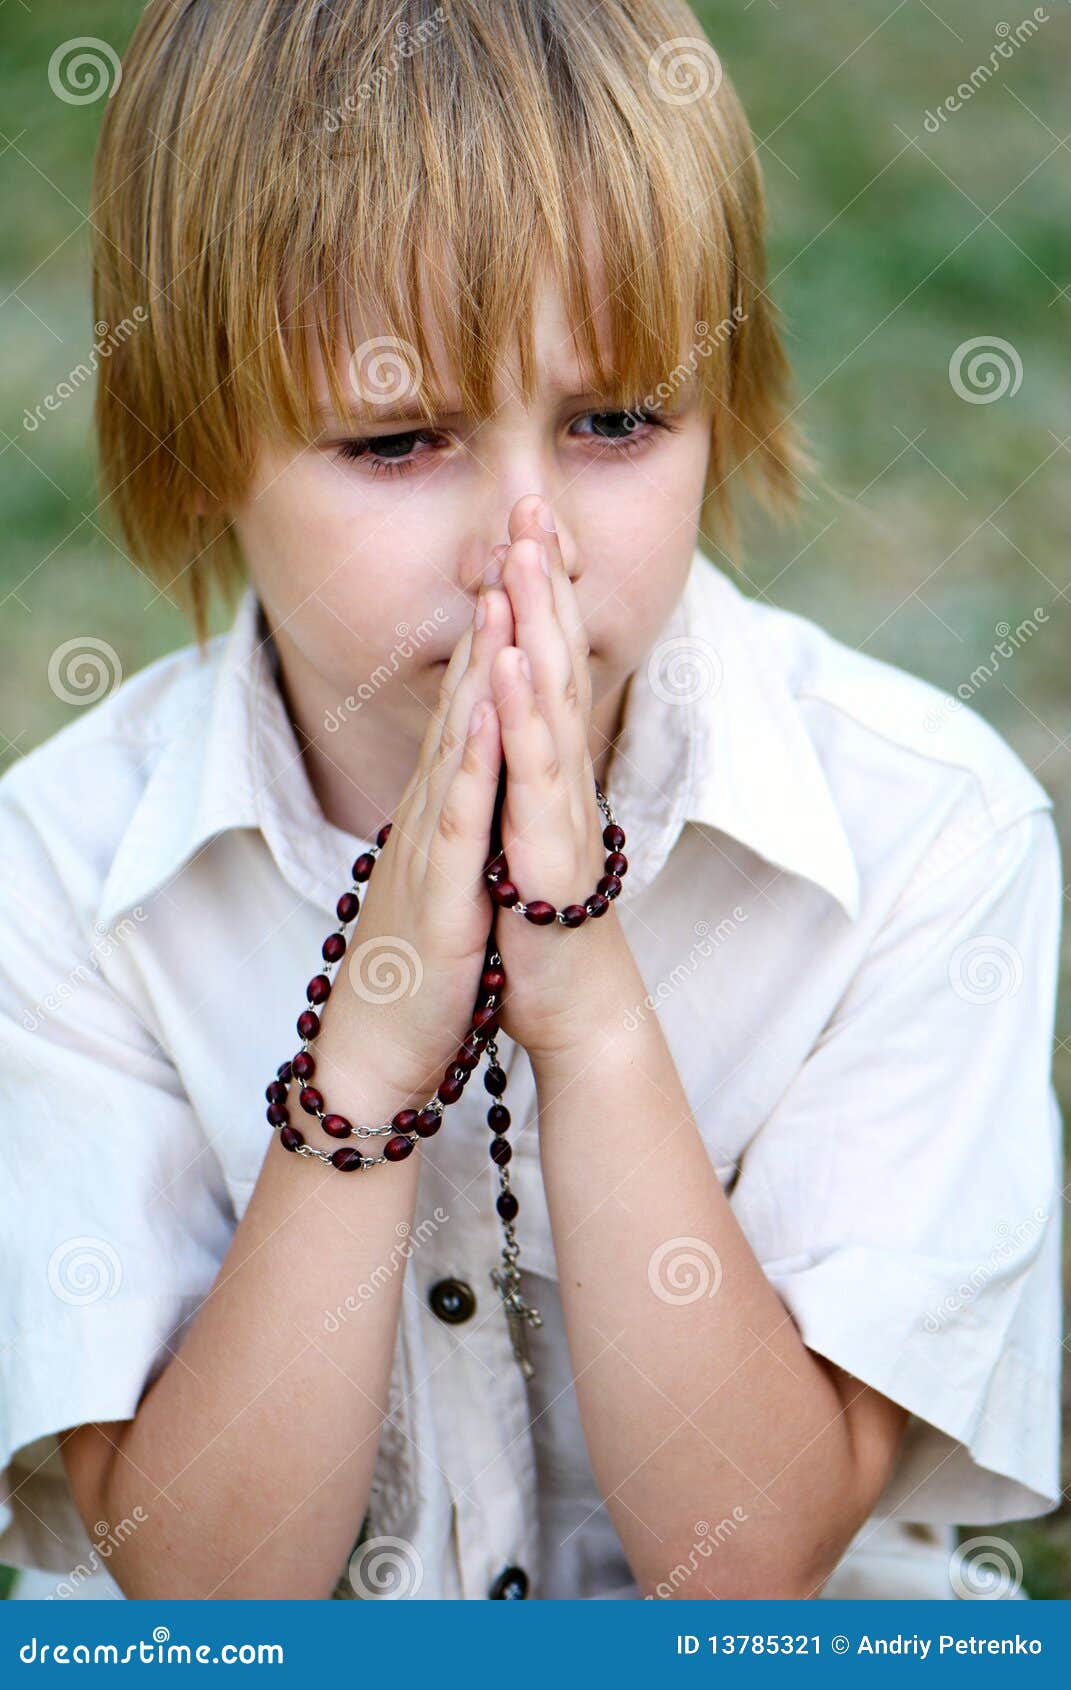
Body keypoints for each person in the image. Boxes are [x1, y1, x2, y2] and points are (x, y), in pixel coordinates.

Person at [0, 0, 1061, 1602]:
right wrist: (364, 1050)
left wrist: (586, 1006)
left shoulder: (921, 834)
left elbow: (751, 1562)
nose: (527, 546)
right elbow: (205, 1606)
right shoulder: (60, 880)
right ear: (202, 438)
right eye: (401, 437)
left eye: (616, 421)